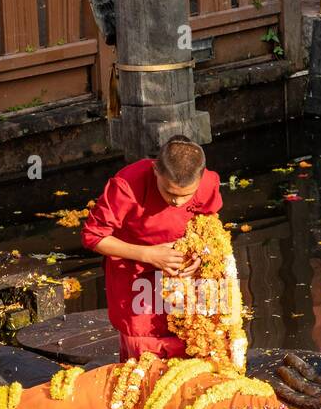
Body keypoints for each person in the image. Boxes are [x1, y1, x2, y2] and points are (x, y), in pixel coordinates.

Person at [81, 135, 223, 361]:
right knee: (144, 348)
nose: (177, 202)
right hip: (135, 276)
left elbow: (209, 225)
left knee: (194, 340)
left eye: (186, 195)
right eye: (169, 192)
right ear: (156, 170)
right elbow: (93, 236)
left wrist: (200, 254)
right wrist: (148, 254)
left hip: (182, 277)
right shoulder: (128, 185)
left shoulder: (209, 182)